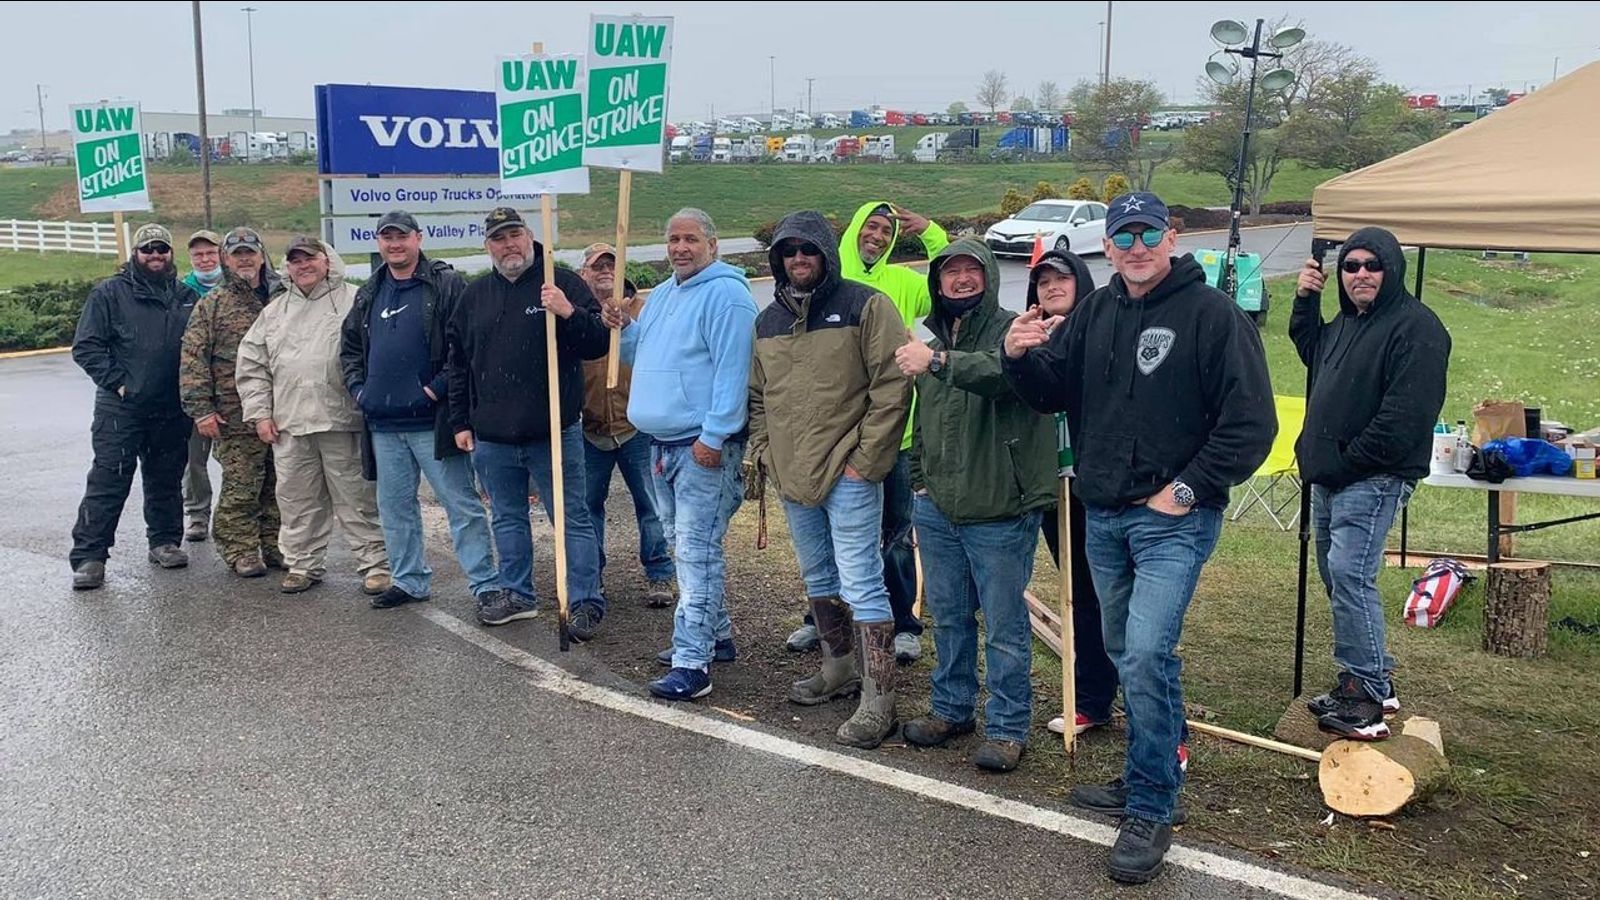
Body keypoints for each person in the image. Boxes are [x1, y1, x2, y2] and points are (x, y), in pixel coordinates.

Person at [1002, 192, 1275, 883]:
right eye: (1121, 235)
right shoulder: (1094, 311)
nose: (1134, 245)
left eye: (1147, 232)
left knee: (1147, 651)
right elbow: (1050, 392)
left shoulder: (1212, 314)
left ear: (1172, 235)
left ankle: (1152, 807)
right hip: (1102, 514)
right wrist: (1018, 356)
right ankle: (1155, 762)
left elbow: (1251, 424)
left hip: (1172, 521)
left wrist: (1183, 491)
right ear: (1108, 245)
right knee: (1127, 650)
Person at [749, 211, 911, 748]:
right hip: (792, 473)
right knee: (817, 574)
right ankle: (838, 666)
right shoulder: (768, 321)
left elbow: (891, 386)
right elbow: (757, 397)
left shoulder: (865, 305)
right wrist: (766, 453)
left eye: (809, 249)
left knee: (861, 577)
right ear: (779, 259)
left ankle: (879, 698)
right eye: (789, 250)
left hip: (850, 472)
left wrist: (866, 461)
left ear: (825, 254)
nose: (799, 258)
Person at [895, 239, 1056, 774]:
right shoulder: (934, 337)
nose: (961, 279)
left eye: (971, 270)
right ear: (938, 284)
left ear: (988, 276)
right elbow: (926, 421)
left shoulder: (1015, 329)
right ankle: (952, 709)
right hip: (938, 507)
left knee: (1006, 626)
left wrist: (936, 360)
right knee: (949, 617)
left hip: (1001, 507)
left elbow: (997, 375)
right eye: (950, 272)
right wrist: (919, 481)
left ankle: (1008, 728)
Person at [1291, 227, 1451, 741]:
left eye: (1372, 265)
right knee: (1336, 575)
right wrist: (1304, 301)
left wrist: (1343, 462)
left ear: (1392, 269)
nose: (1361, 274)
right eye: (1352, 266)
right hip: (1330, 475)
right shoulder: (1346, 324)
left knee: (1349, 573)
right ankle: (1373, 674)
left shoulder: (1417, 330)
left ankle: (1365, 694)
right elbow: (1312, 350)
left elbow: (1403, 420)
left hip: (1375, 476)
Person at [602, 208, 757, 702]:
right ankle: (718, 634)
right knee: (683, 543)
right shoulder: (665, 294)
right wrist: (622, 328)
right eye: (673, 239)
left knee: (695, 550)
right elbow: (639, 357)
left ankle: (693, 662)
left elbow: (735, 372)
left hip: (701, 447)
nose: (680, 248)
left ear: (713, 244)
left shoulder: (728, 295)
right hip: (661, 445)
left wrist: (715, 436)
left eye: (691, 239)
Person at [786, 201, 948, 659]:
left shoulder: (903, 282)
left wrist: (931, 233)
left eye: (886, 231)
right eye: (870, 227)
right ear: (854, 229)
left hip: (896, 436)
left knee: (896, 534)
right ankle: (824, 622)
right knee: (827, 539)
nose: (876, 236)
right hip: (834, 437)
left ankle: (903, 625)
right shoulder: (825, 284)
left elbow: (953, 282)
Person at [447, 208, 609, 638]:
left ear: (530, 236)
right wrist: (461, 421)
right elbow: (458, 364)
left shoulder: (562, 282)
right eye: (499, 239)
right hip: (493, 439)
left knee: (572, 518)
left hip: (553, 432)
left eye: (515, 234)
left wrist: (568, 311)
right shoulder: (474, 296)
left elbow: (597, 343)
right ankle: (518, 595)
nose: (509, 245)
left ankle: (585, 602)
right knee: (507, 517)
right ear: (488, 246)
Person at [340, 210, 501, 614]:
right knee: (395, 509)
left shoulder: (445, 285)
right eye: (386, 237)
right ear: (378, 242)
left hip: (433, 422)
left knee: (461, 505)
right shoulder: (368, 292)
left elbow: (465, 347)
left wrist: (435, 390)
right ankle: (409, 580)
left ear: (419, 239)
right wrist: (361, 392)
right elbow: (350, 350)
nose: (394, 244)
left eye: (402, 236)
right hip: (382, 424)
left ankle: (485, 584)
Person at [236, 236, 391, 595]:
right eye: (295, 261)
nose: (303, 266)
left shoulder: (355, 300)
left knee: (358, 499)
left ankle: (375, 565)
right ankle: (303, 564)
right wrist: (260, 414)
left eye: (310, 259)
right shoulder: (274, 311)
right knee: (296, 501)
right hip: (290, 424)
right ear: (286, 267)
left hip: (343, 419)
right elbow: (253, 365)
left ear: (326, 261)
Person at [1022, 250, 1122, 740]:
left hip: (1100, 480)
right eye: (1042, 281)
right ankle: (1092, 698)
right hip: (1052, 483)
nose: (1051, 287)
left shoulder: (1102, 330)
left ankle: (1127, 679)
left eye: (1061, 279)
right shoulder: (1029, 336)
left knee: (1112, 591)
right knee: (1078, 590)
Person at [68, 223, 200, 589]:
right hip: (121, 409)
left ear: (171, 253)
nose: (155, 255)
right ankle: (90, 556)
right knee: (109, 479)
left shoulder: (186, 296)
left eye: (162, 248)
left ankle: (165, 541)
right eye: (147, 249)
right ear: (135, 254)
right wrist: (119, 383)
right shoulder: (109, 293)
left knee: (166, 479)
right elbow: (86, 347)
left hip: (172, 407)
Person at [181, 227, 300, 583]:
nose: (245, 259)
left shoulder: (286, 296)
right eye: (237, 254)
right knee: (242, 482)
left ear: (262, 255)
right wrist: (201, 408)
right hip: (234, 414)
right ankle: (240, 548)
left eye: (251, 252)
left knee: (280, 482)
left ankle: (274, 543)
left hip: (285, 407)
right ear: (226, 260)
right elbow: (192, 358)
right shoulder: (213, 304)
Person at [577, 242, 675, 609]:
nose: (604, 270)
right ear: (583, 273)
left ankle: (660, 572)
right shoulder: (576, 315)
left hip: (637, 427)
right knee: (588, 507)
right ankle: (591, 576)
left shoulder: (645, 312)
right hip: (590, 429)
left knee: (651, 504)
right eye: (596, 265)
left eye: (610, 265)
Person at [181, 229, 224, 542]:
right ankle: (197, 514)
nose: (206, 259)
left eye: (211, 253)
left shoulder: (239, 286)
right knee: (194, 459)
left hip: (232, 391)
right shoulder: (180, 292)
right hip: (197, 390)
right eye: (199, 255)